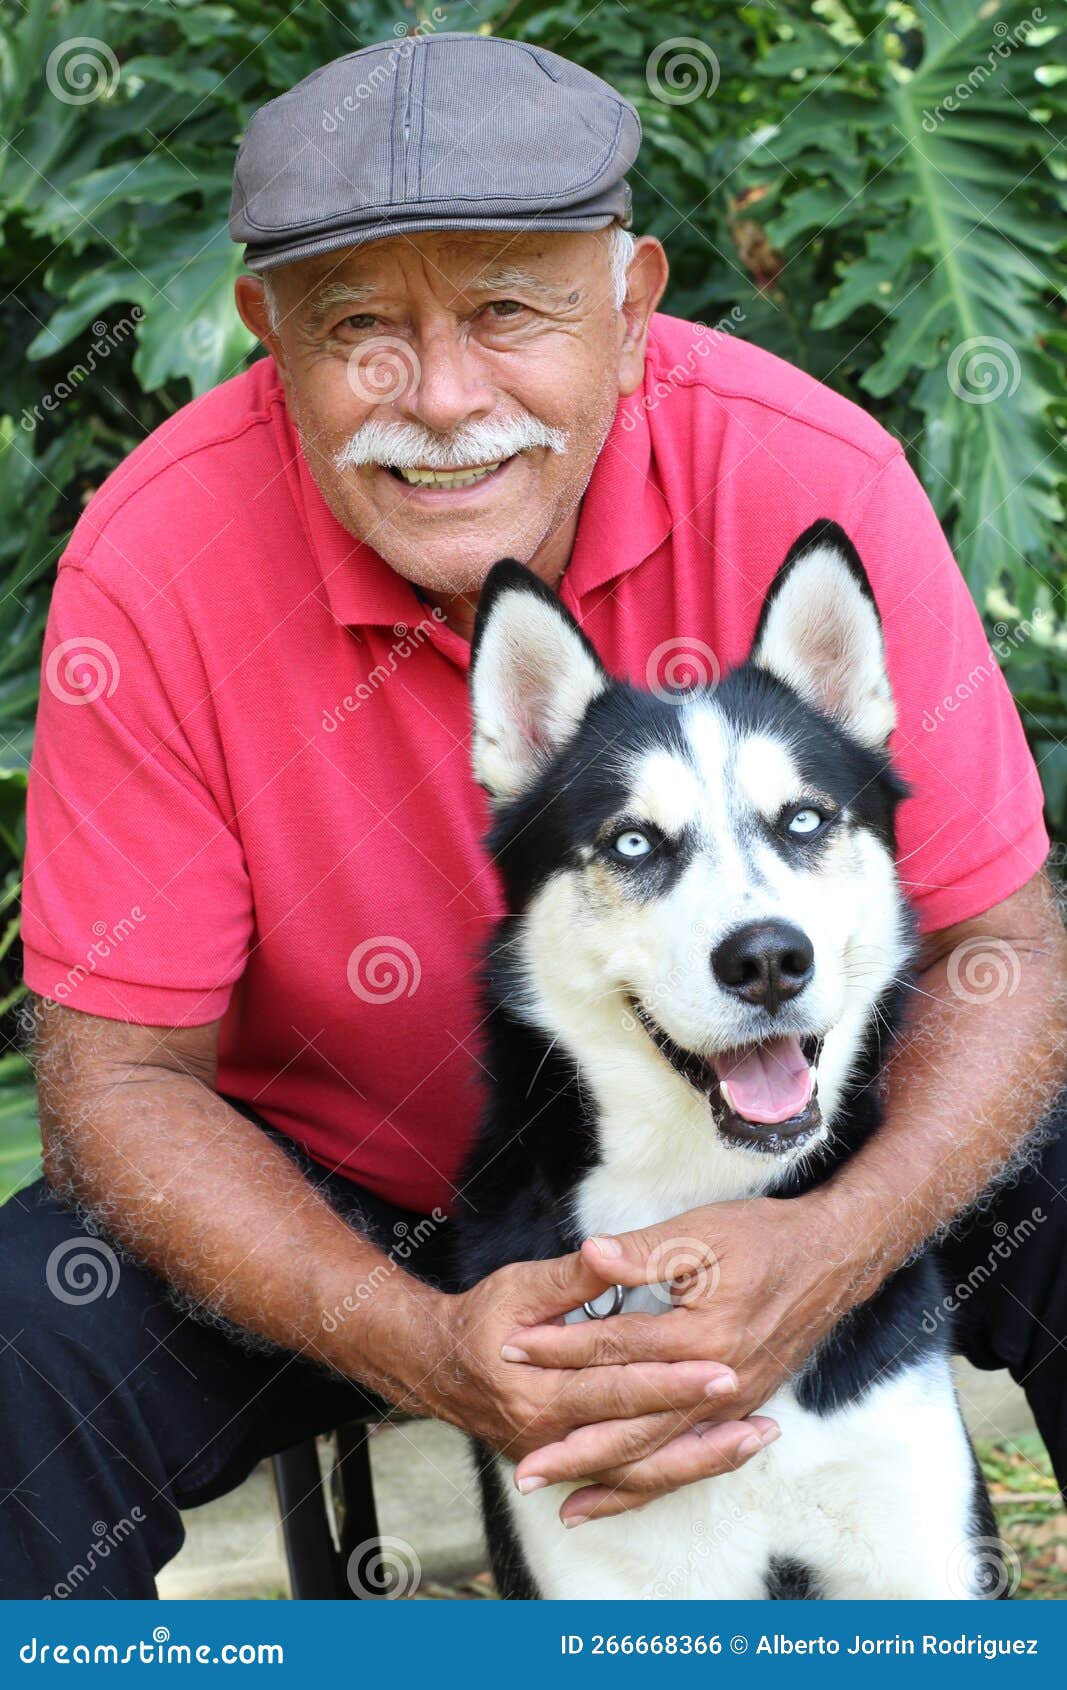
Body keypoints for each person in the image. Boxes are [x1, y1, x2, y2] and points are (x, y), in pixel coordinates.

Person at [3, 34, 1064, 1598]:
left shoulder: (802, 470)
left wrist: (841, 1237)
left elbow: (1001, 942)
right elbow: (117, 1078)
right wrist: (416, 1338)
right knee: (21, 1345)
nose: (441, 398)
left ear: (632, 309)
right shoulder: (153, 567)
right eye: (359, 326)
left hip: (810, 1123)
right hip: (349, 1204)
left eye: (507, 309)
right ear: (265, 332)